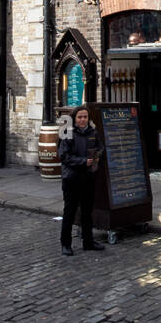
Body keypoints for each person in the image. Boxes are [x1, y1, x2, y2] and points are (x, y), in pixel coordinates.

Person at [56, 105, 105, 256]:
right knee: (70, 211)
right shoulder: (67, 133)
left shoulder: (92, 132)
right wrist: (83, 161)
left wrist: (97, 156)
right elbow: (64, 156)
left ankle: (88, 242)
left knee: (87, 211)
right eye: (80, 117)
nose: (83, 120)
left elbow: (100, 147)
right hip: (72, 178)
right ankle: (66, 244)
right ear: (74, 118)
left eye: (85, 117)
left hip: (88, 177)